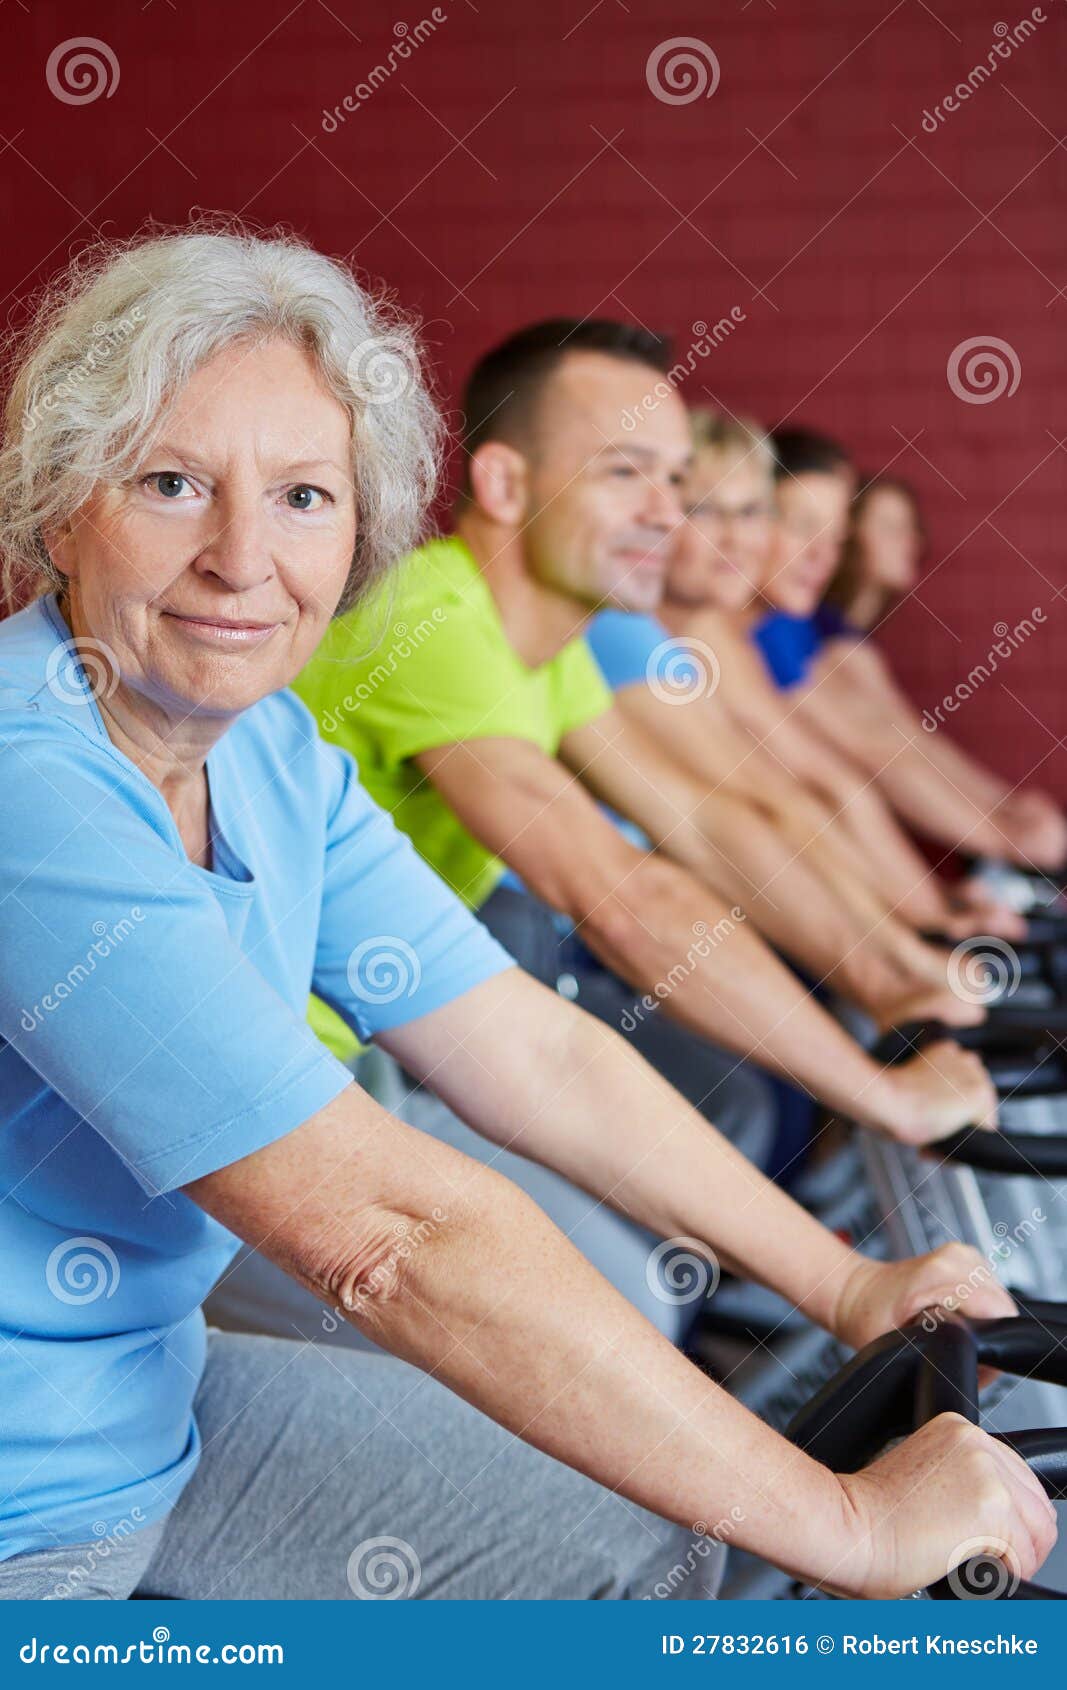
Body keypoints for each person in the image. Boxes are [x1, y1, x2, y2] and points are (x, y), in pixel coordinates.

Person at [1, 231, 1048, 1603]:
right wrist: (846, 1521)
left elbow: (529, 1047)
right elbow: (386, 1238)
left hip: (159, 1402)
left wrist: (847, 1282)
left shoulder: (263, 752)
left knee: (646, 1550)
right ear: (64, 499)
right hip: (35, 1513)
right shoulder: (31, 780)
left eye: (305, 495)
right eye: (171, 483)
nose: (242, 557)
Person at [671, 416, 1025, 941]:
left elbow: (856, 772)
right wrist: (924, 919)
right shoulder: (710, 632)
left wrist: (927, 913)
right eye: (799, 526)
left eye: (835, 538)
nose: (822, 557)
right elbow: (815, 792)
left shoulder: (731, 630)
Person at [785, 471, 1067, 873]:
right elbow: (895, 745)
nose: (911, 542)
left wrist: (1006, 810)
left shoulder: (845, 632)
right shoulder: (829, 636)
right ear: (851, 539)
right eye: (889, 528)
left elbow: (910, 738)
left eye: (911, 528)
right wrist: (1005, 831)